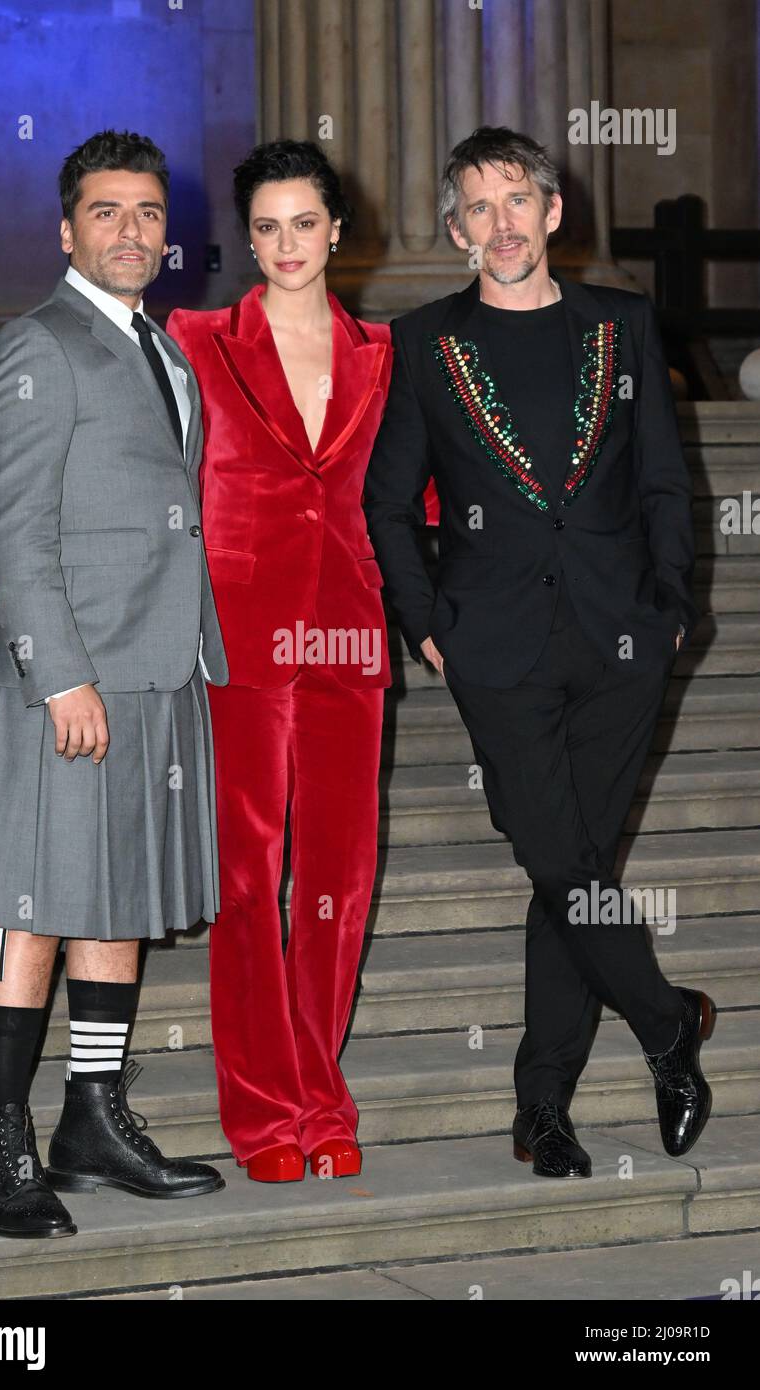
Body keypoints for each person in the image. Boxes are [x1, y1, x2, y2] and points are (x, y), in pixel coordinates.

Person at [364, 125, 715, 1180]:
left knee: (574, 875)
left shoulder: (621, 324)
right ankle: (666, 1025)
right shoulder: (426, 342)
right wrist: (423, 619)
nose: (499, 224)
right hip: (494, 642)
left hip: (621, 637)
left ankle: (541, 1111)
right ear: (456, 229)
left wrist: (669, 606)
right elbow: (384, 502)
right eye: (476, 207)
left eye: (515, 200)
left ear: (551, 212)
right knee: (556, 858)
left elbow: (662, 478)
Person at [0, 129, 228, 1237]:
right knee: (36, 903)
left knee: (116, 901)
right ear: (66, 229)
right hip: (68, 682)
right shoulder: (38, 344)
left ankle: (93, 1117)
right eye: (108, 211)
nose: (132, 231)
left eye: (150, 213)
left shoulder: (161, 350)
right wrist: (59, 677)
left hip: (157, 671)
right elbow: (13, 534)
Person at [166, 140, 394, 1182]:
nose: (285, 245)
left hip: (347, 635)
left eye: (304, 223)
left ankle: (319, 1092)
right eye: (265, 227)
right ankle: (263, 1110)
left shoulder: (385, 355)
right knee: (250, 876)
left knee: (337, 878)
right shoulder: (196, 338)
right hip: (238, 635)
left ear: (337, 230)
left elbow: (416, 499)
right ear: (244, 236)